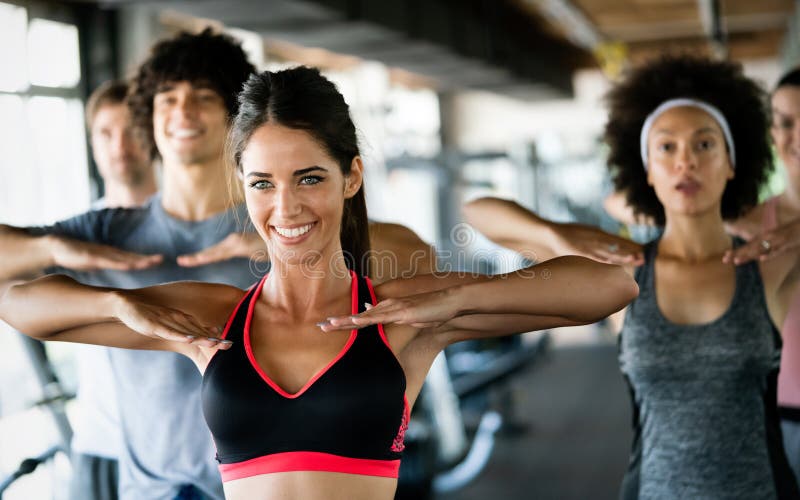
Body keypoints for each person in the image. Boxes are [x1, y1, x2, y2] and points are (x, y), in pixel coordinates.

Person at [0, 65, 637, 500]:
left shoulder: (402, 317)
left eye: (309, 178)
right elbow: (18, 303)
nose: (286, 207)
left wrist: (454, 298)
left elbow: (611, 287)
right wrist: (119, 303)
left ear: (350, 177)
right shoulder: (212, 318)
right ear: (243, 187)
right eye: (262, 184)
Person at [464, 55, 800, 498]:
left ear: (731, 162)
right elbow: (477, 211)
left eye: (704, 145)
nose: (685, 162)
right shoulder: (623, 273)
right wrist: (553, 233)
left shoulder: (767, 266)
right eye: (667, 147)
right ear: (647, 171)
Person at [70, 79, 157, 500]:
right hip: (99, 443)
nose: (119, 146)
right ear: (92, 143)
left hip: (169, 449)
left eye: (131, 130)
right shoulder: (75, 235)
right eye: (105, 133)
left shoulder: (182, 228)